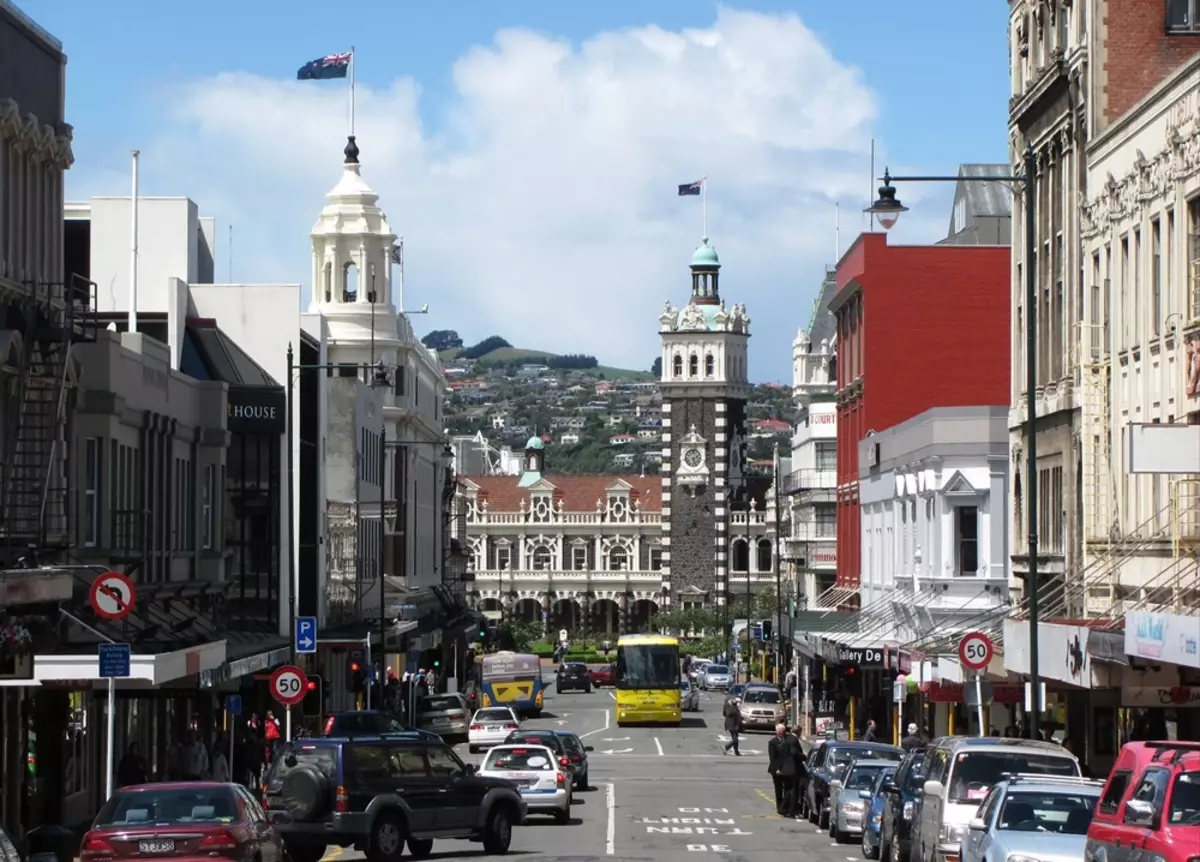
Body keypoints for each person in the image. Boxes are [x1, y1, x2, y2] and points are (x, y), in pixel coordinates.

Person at [767, 723, 801, 816]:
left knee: (787, 789)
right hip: (777, 769)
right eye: (780, 731)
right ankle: (780, 807)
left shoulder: (787, 739)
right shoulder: (772, 742)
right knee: (778, 789)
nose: (781, 733)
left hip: (786, 768)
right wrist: (777, 769)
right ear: (777, 732)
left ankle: (784, 807)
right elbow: (772, 758)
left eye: (783, 731)